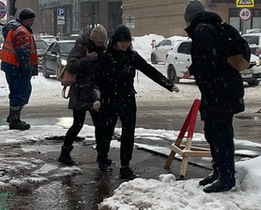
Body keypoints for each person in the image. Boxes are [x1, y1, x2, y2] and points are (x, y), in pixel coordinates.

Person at [95, 25, 180, 180]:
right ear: (115, 41)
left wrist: (168, 84)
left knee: (128, 134)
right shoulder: (106, 57)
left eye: (127, 41)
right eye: (121, 41)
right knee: (106, 132)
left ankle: (125, 167)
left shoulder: (132, 56)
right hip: (109, 100)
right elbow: (96, 80)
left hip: (127, 99)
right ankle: (102, 158)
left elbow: (149, 70)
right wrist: (96, 98)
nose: (124, 44)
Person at [184, 0, 244, 193]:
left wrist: (205, 78)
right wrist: (194, 69)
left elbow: (209, 61)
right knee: (212, 131)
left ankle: (226, 176)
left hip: (220, 92)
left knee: (221, 134)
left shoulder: (203, 31)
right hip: (221, 90)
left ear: (190, 18)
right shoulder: (213, 27)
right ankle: (219, 170)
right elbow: (211, 57)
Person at [57, 24, 107, 166]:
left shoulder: (102, 49)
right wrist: (88, 59)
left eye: (102, 43)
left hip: (94, 90)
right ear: (93, 40)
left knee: (100, 125)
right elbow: (71, 66)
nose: (100, 45)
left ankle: (102, 156)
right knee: (77, 124)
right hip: (79, 90)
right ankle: (64, 153)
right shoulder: (80, 47)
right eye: (98, 42)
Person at [0, 7, 38, 130]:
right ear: (25, 19)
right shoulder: (21, 31)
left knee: (16, 91)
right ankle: (15, 119)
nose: (32, 22)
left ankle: (13, 116)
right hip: (17, 67)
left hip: (11, 66)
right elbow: (22, 52)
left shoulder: (15, 29)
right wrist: (26, 68)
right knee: (21, 92)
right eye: (31, 20)